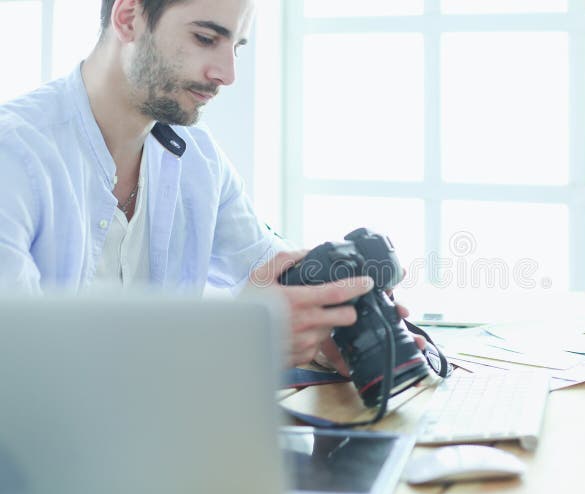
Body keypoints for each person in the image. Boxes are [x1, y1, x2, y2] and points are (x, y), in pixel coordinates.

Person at [0, 0, 425, 373]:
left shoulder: (198, 160)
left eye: (236, 47)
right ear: (128, 18)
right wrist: (234, 344)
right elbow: (19, 365)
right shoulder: (14, 154)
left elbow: (269, 274)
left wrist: (324, 334)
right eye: (206, 38)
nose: (227, 74)